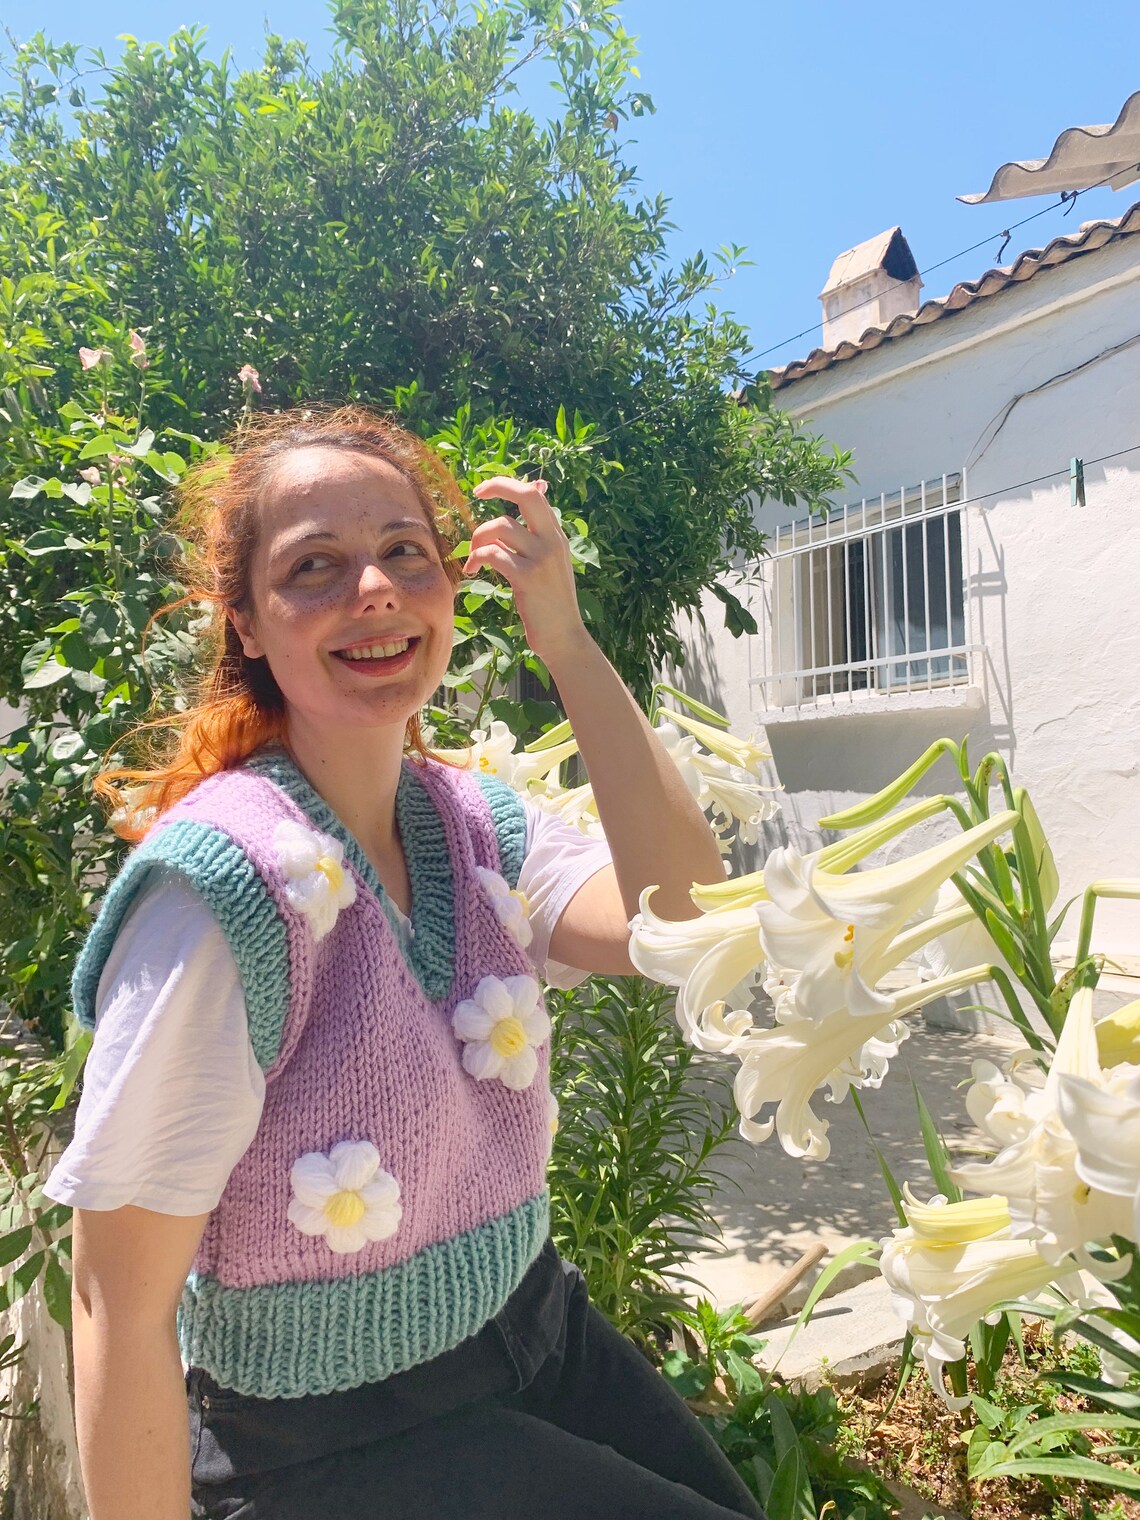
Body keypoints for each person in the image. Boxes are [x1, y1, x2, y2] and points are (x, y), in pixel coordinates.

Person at [45, 405, 765, 1520]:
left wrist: (565, 641)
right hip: (329, 1437)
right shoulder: (221, 893)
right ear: (243, 618)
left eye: (402, 553)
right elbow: (115, 1298)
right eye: (315, 566)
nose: (372, 589)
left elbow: (683, 914)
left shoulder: (468, 822)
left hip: (539, 1327)